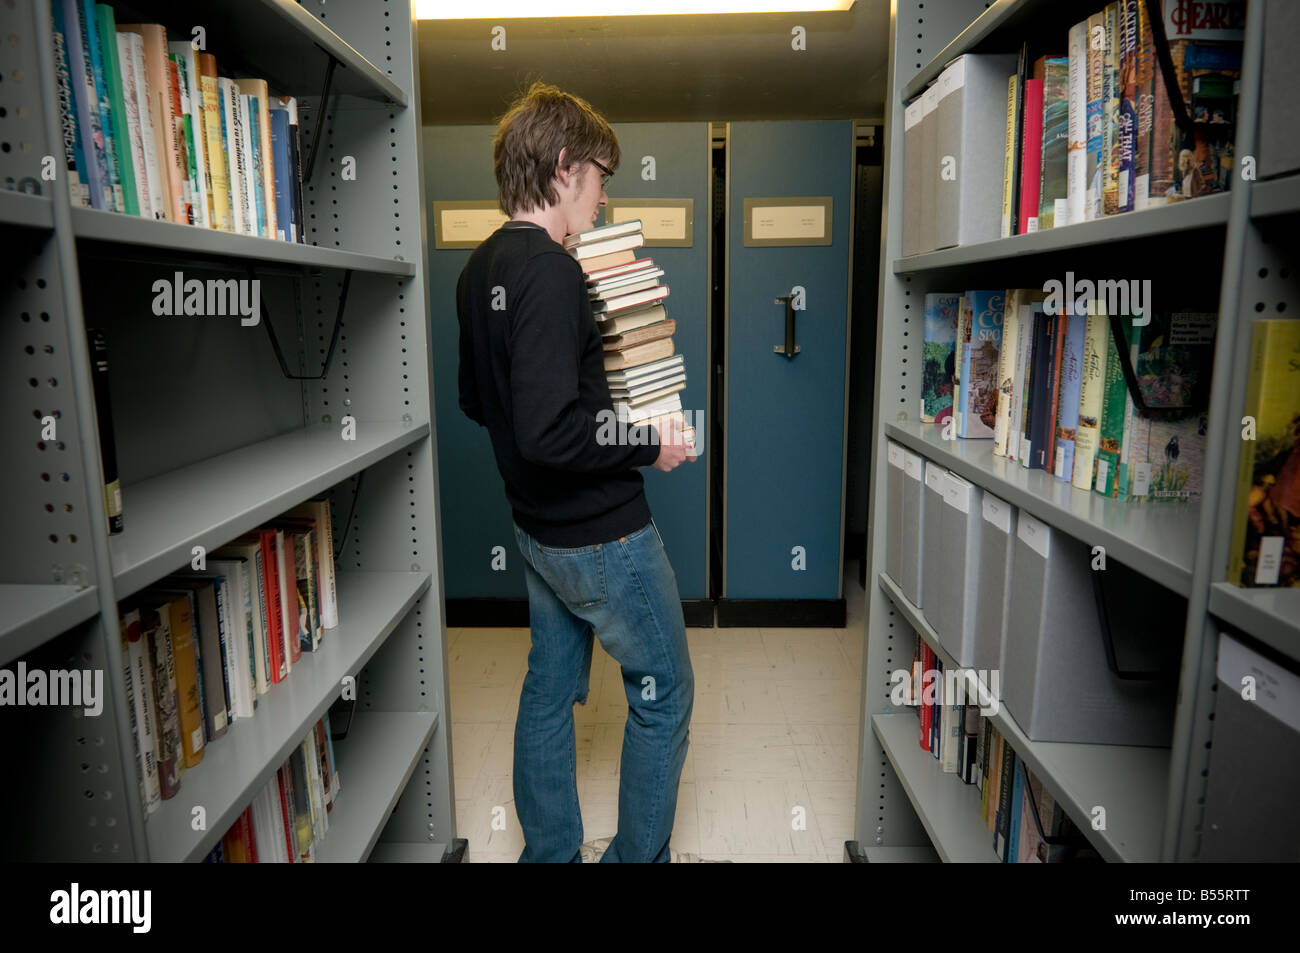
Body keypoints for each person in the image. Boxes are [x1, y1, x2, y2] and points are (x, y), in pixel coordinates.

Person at [455, 81, 698, 862]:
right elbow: (553, 431)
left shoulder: (479, 270)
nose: (602, 194)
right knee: (665, 694)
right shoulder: (556, 274)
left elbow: (475, 400)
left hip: (535, 532)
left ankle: (550, 855)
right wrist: (647, 442)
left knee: (548, 690)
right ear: (565, 168)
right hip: (601, 534)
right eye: (600, 176)